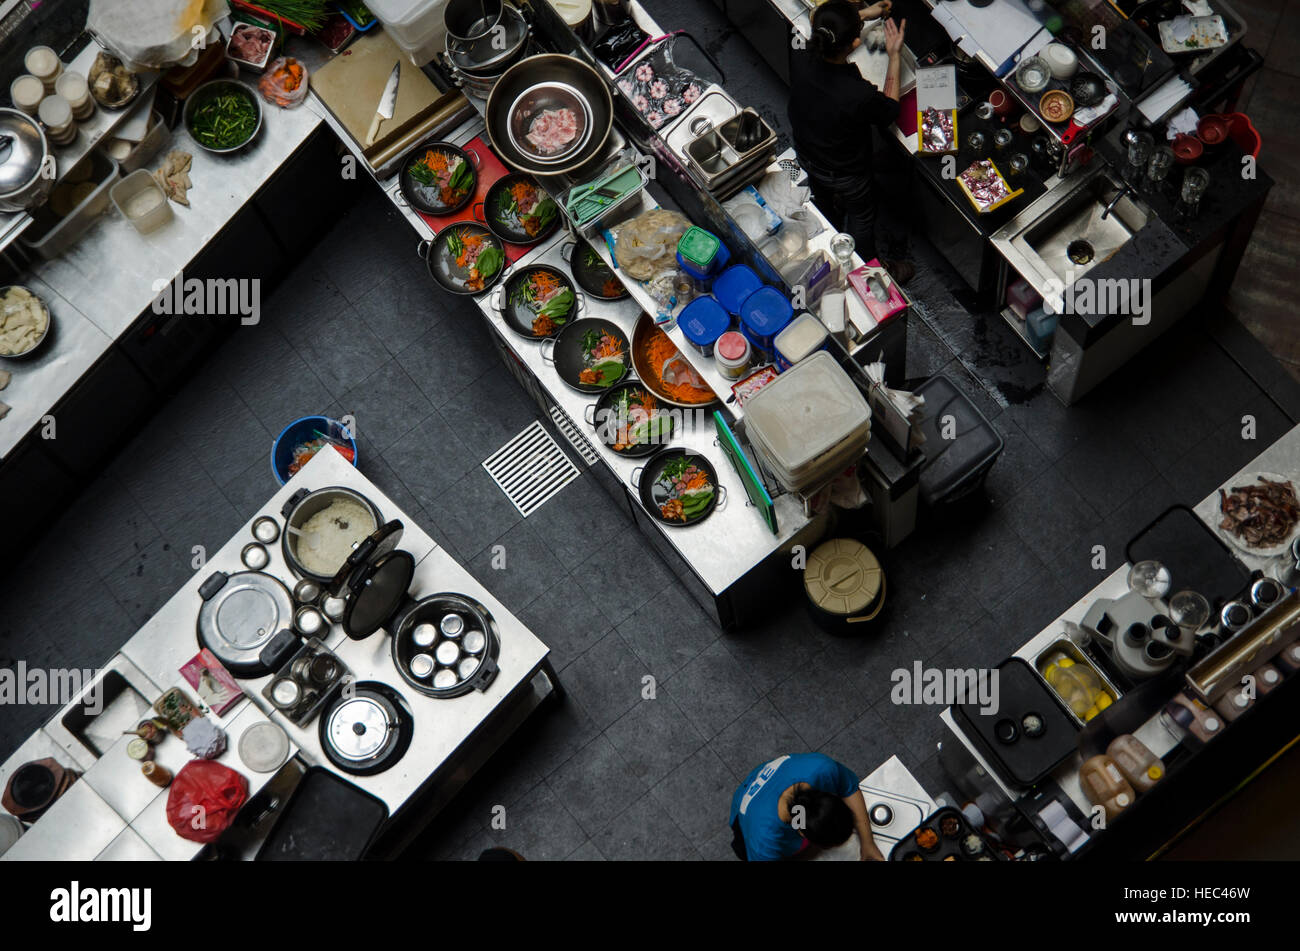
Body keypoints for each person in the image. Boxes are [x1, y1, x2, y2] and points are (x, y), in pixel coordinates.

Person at [788, 1, 913, 281]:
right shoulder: (856, 94)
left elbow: (824, 27)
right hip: (846, 173)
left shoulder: (801, 54)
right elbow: (889, 110)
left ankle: (827, 229)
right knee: (862, 218)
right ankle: (866, 270)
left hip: (807, 152)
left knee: (823, 198)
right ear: (854, 43)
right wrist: (894, 55)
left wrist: (865, 15)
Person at [729, 752, 884, 861]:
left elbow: (849, 790)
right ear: (803, 834)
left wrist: (868, 842)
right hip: (747, 811)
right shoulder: (764, 842)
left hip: (774, 785)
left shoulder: (824, 769)